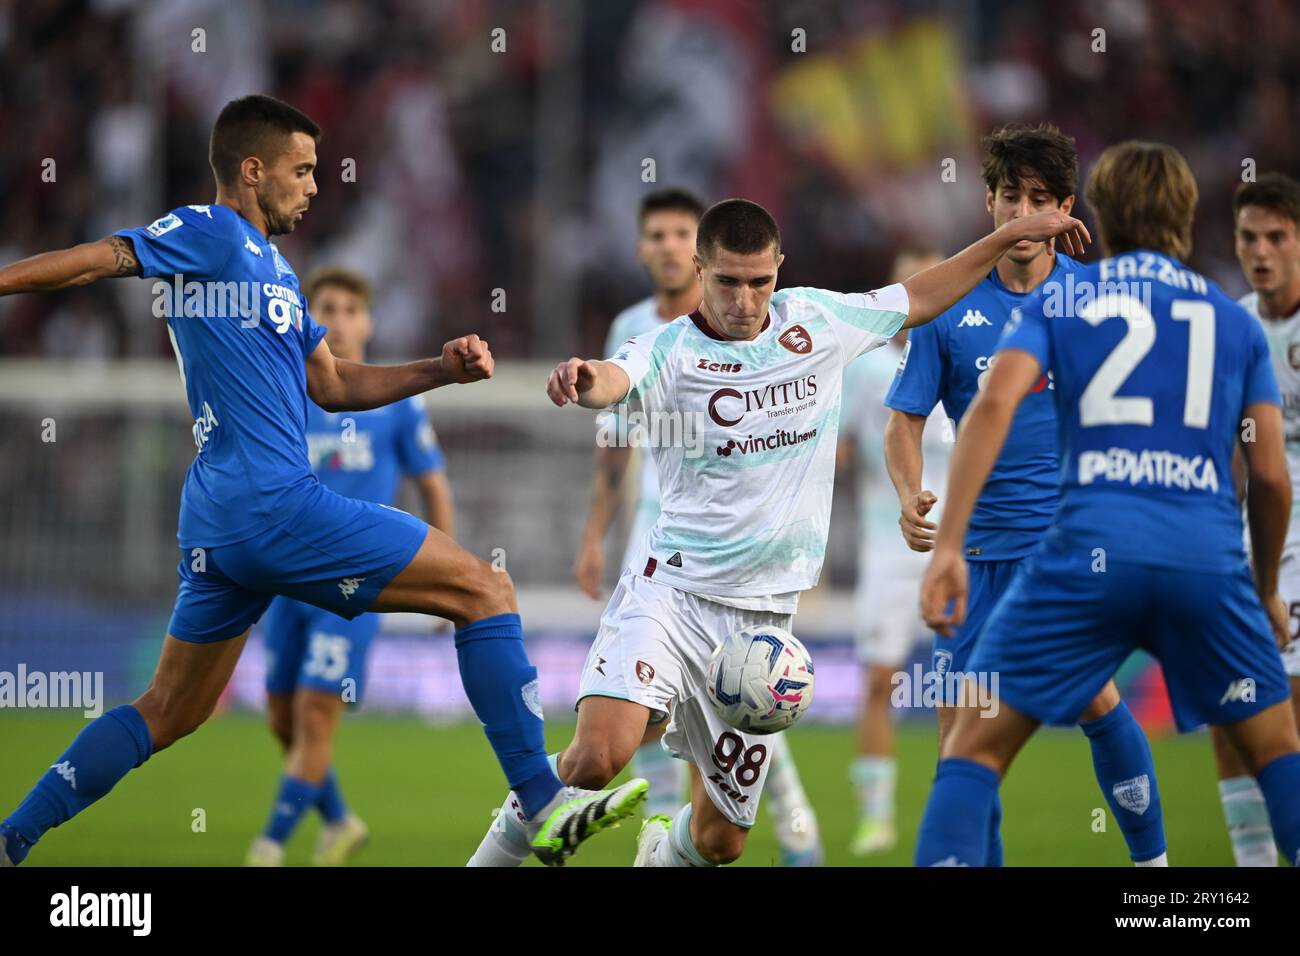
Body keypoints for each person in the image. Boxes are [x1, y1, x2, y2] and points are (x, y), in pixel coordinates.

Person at [0, 94, 642, 868]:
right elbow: (101, 257)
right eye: (301, 170)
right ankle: (544, 804)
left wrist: (439, 369)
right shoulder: (208, 231)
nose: (314, 185)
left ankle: (12, 838)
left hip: (221, 518)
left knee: (168, 709)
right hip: (274, 504)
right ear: (250, 170)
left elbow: (332, 384)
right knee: (485, 590)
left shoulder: (273, 271)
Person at [469, 195, 1088, 867]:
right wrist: (585, 379)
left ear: (779, 269)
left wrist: (1009, 237)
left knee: (721, 841)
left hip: (763, 626)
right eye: (728, 281)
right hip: (672, 593)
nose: (744, 298)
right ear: (701, 270)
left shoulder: (818, 321)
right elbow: (615, 378)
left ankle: (656, 856)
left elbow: (919, 295)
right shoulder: (668, 347)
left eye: (759, 280)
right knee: (597, 757)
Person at [913, 141, 1300, 867]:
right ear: (1187, 219)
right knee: (1277, 746)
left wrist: (946, 547)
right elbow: (1272, 478)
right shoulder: (1236, 321)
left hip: (1090, 554)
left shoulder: (1065, 303)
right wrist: (1269, 590)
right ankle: (1155, 881)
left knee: (972, 745)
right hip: (1204, 560)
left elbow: (995, 400)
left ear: (1092, 216)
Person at [885, 125, 1166, 865]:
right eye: (1012, 197)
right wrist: (910, 490)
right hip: (974, 559)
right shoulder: (947, 305)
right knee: (962, 740)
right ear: (990, 201)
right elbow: (903, 422)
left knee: (1098, 699)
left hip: (1064, 550)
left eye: (1040, 200)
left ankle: (1155, 870)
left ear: (1066, 208)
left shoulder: (1097, 299)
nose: (1023, 213)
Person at [245, 266, 455, 867]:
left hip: (356, 583)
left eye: (348, 309)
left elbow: (433, 489)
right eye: (326, 308)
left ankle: (269, 847)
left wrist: (446, 577)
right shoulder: (289, 388)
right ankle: (338, 820)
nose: (336, 319)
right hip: (286, 581)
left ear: (368, 320)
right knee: (281, 718)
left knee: (315, 712)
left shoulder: (396, 405)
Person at [1211, 172, 1300, 865]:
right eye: (1249, 237)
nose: (1261, 251)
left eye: (1276, 236)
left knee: (1278, 707)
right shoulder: (1233, 327)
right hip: (1255, 537)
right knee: (1232, 701)